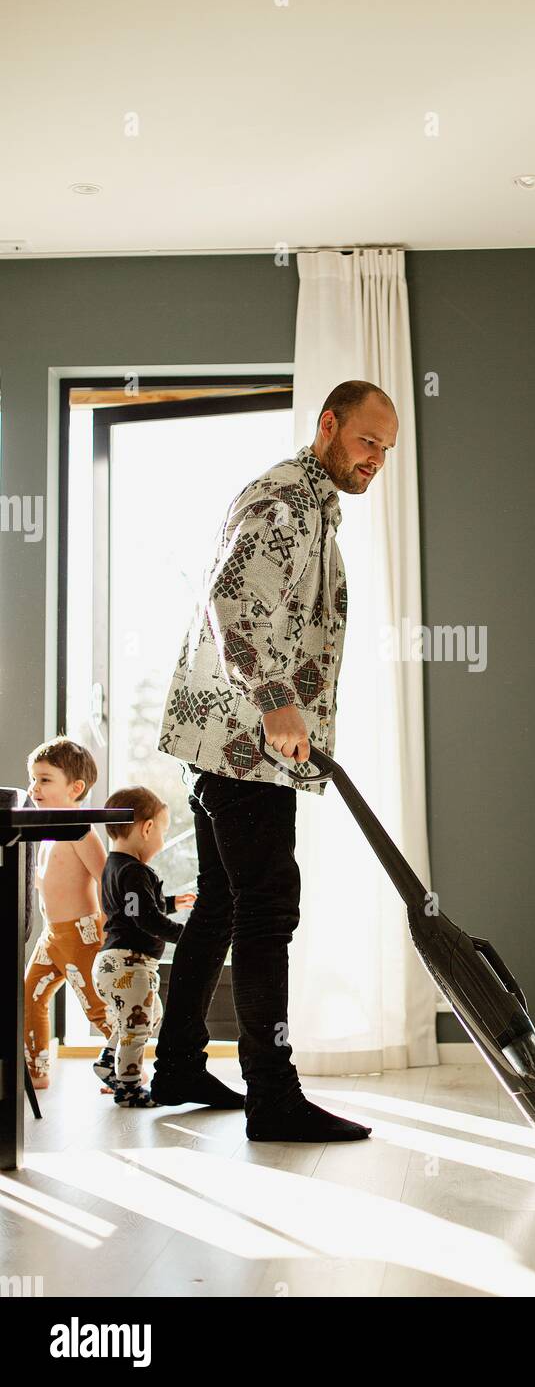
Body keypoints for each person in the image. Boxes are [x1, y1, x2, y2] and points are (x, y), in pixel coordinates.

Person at [153, 379, 398, 1143]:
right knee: (267, 907)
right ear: (329, 426)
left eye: (386, 451)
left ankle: (178, 1065)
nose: (375, 461)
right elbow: (235, 600)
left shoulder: (313, 503)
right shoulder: (286, 500)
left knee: (226, 904)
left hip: (232, 741)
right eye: (366, 442)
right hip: (246, 742)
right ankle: (273, 1094)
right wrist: (274, 700)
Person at [93, 786, 196, 1106]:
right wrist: (188, 936)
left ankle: (108, 1062)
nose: (162, 841)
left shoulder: (114, 867)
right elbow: (145, 919)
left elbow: (134, 908)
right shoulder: (135, 871)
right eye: (163, 832)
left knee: (148, 1017)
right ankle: (129, 1089)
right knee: (136, 1030)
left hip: (113, 962)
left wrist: (169, 902)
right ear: (147, 828)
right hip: (130, 964)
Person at [24, 737, 115, 1090]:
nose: (34, 787)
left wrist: (112, 933)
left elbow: (106, 882)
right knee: (31, 996)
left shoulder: (80, 831)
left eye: (45, 779)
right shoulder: (47, 831)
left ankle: (129, 1069)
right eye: (33, 778)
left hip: (81, 934)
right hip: (52, 934)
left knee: (97, 1008)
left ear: (75, 788)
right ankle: (37, 1071)